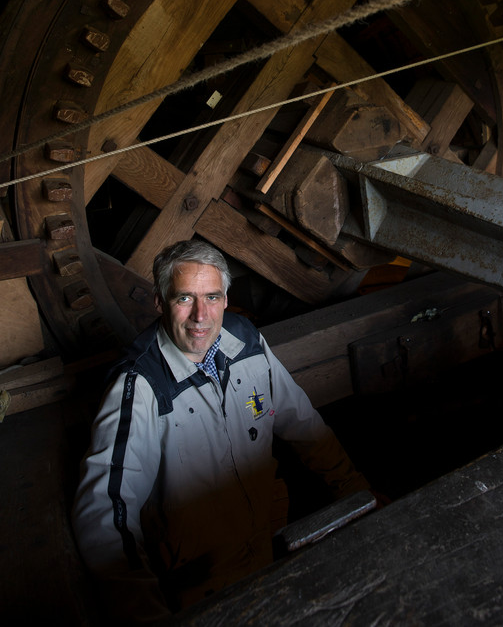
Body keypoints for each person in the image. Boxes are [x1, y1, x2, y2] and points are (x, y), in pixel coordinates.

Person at [72, 239, 370, 623]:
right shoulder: (140, 385)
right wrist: (146, 614)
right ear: (160, 302)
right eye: (184, 299)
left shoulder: (246, 342)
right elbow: (104, 514)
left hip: (271, 546)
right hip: (203, 584)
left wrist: (356, 493)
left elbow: (303, 426)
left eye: (212, 297)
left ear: (227, 299)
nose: (201, 315)